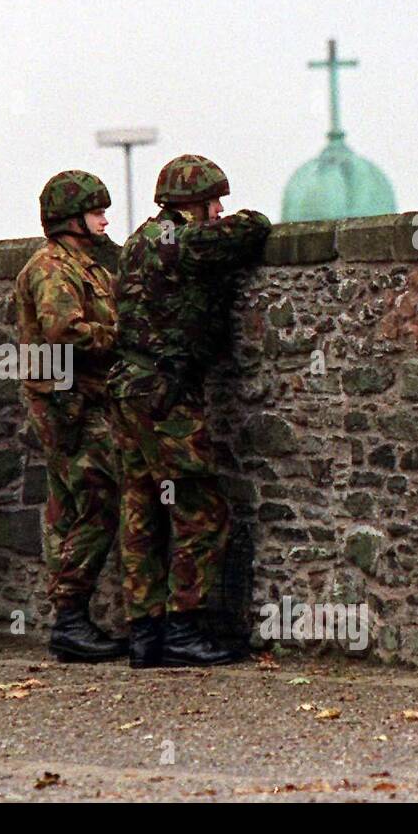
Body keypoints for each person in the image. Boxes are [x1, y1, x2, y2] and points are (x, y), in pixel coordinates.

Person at [108, 155, 271, 668]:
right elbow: (251, 231)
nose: (218, 210)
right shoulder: (183, 241)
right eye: (212, 202)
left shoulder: (139, 241)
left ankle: (145, 633)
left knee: (142, 509)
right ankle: (185, 626)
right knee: (202, 510)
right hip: (163, 392)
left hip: (129, 387)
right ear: (191, 204)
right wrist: (247, 217)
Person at [15, 170, 127, 662]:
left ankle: (72, 619)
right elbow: (64, 331)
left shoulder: (88, 263)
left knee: (77, 505)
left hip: (82, 399)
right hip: (70, 403)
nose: (105, 218)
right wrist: (124, 334)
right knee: (96, 503)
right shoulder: (54, 267)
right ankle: (70, 619)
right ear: (71, 219)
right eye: (96, 211)